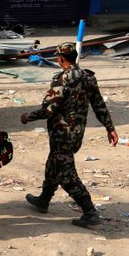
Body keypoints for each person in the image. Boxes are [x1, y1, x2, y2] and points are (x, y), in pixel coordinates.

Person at [21, 42, 118, 228]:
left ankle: (90, 211)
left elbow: (49, 108)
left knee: (66, 175)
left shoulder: (62, 78)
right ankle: (44, 199)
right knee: (53, 164)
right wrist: (109, 127)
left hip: (61, 134)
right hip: (76, 134)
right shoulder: (88, 77)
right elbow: (99, 105)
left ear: (61, 58)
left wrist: (28, 117)